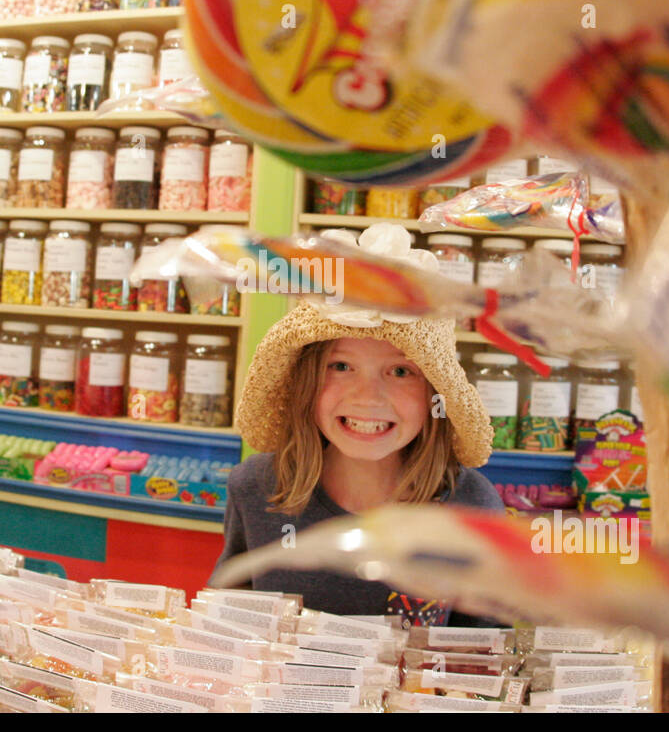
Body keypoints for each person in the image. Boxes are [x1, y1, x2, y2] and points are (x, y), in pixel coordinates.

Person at [211, 224, 504, 627]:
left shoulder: (472, 505)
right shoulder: (255, 488)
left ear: (435, 394)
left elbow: (482, 659)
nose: (368, 397)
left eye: (401, 371)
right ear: (307, 383)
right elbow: (228, 622)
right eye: (341, 366)